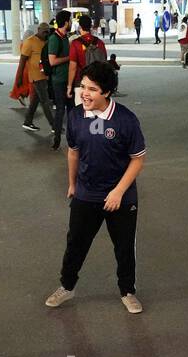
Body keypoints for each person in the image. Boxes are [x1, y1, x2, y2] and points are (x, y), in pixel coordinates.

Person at [43, 61, 147, 315]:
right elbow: (73, 152)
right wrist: (72, 184)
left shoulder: (126, 120)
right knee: (75, 244)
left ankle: (127, 291)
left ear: (107, 92)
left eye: (92, 89)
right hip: (86, 193)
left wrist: (118, 191)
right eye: (82, 86)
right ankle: (67, 287)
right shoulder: (76, 115)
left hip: (120, 196)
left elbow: (138, 159)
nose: (84, 93)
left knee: (124, 248)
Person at [45, 10, 75, 151]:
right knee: (60, 110)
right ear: (66, 22)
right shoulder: (54, 39)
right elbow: (52, 61)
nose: (71, 23)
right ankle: (57, 138)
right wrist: (69, 58)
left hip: (68, 78)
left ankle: (72, 139)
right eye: (70, 20)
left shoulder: (64, 37)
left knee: (72, 110)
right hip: (58, 80)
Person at [68, 14, 108, 107]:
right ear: (91, 26)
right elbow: (104, 63)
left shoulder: (75, 43)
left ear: (80, 26)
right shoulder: (100, 43)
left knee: (81, 111)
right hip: (97, 83)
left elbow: (72, 67)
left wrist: (69, 86)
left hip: (81, 82)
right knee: (96, 111)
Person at [20, 23, 52, 132]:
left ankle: (27, 122)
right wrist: (19, 78)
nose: (46, 34)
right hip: (36, 76)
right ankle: (54, 126)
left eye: (48, 31)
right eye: (44, 31)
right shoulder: (29, 41)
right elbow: (22, 60)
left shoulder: (46, 41)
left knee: (35, 101)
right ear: (38, 30)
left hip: (45, 75)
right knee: (45, 101)